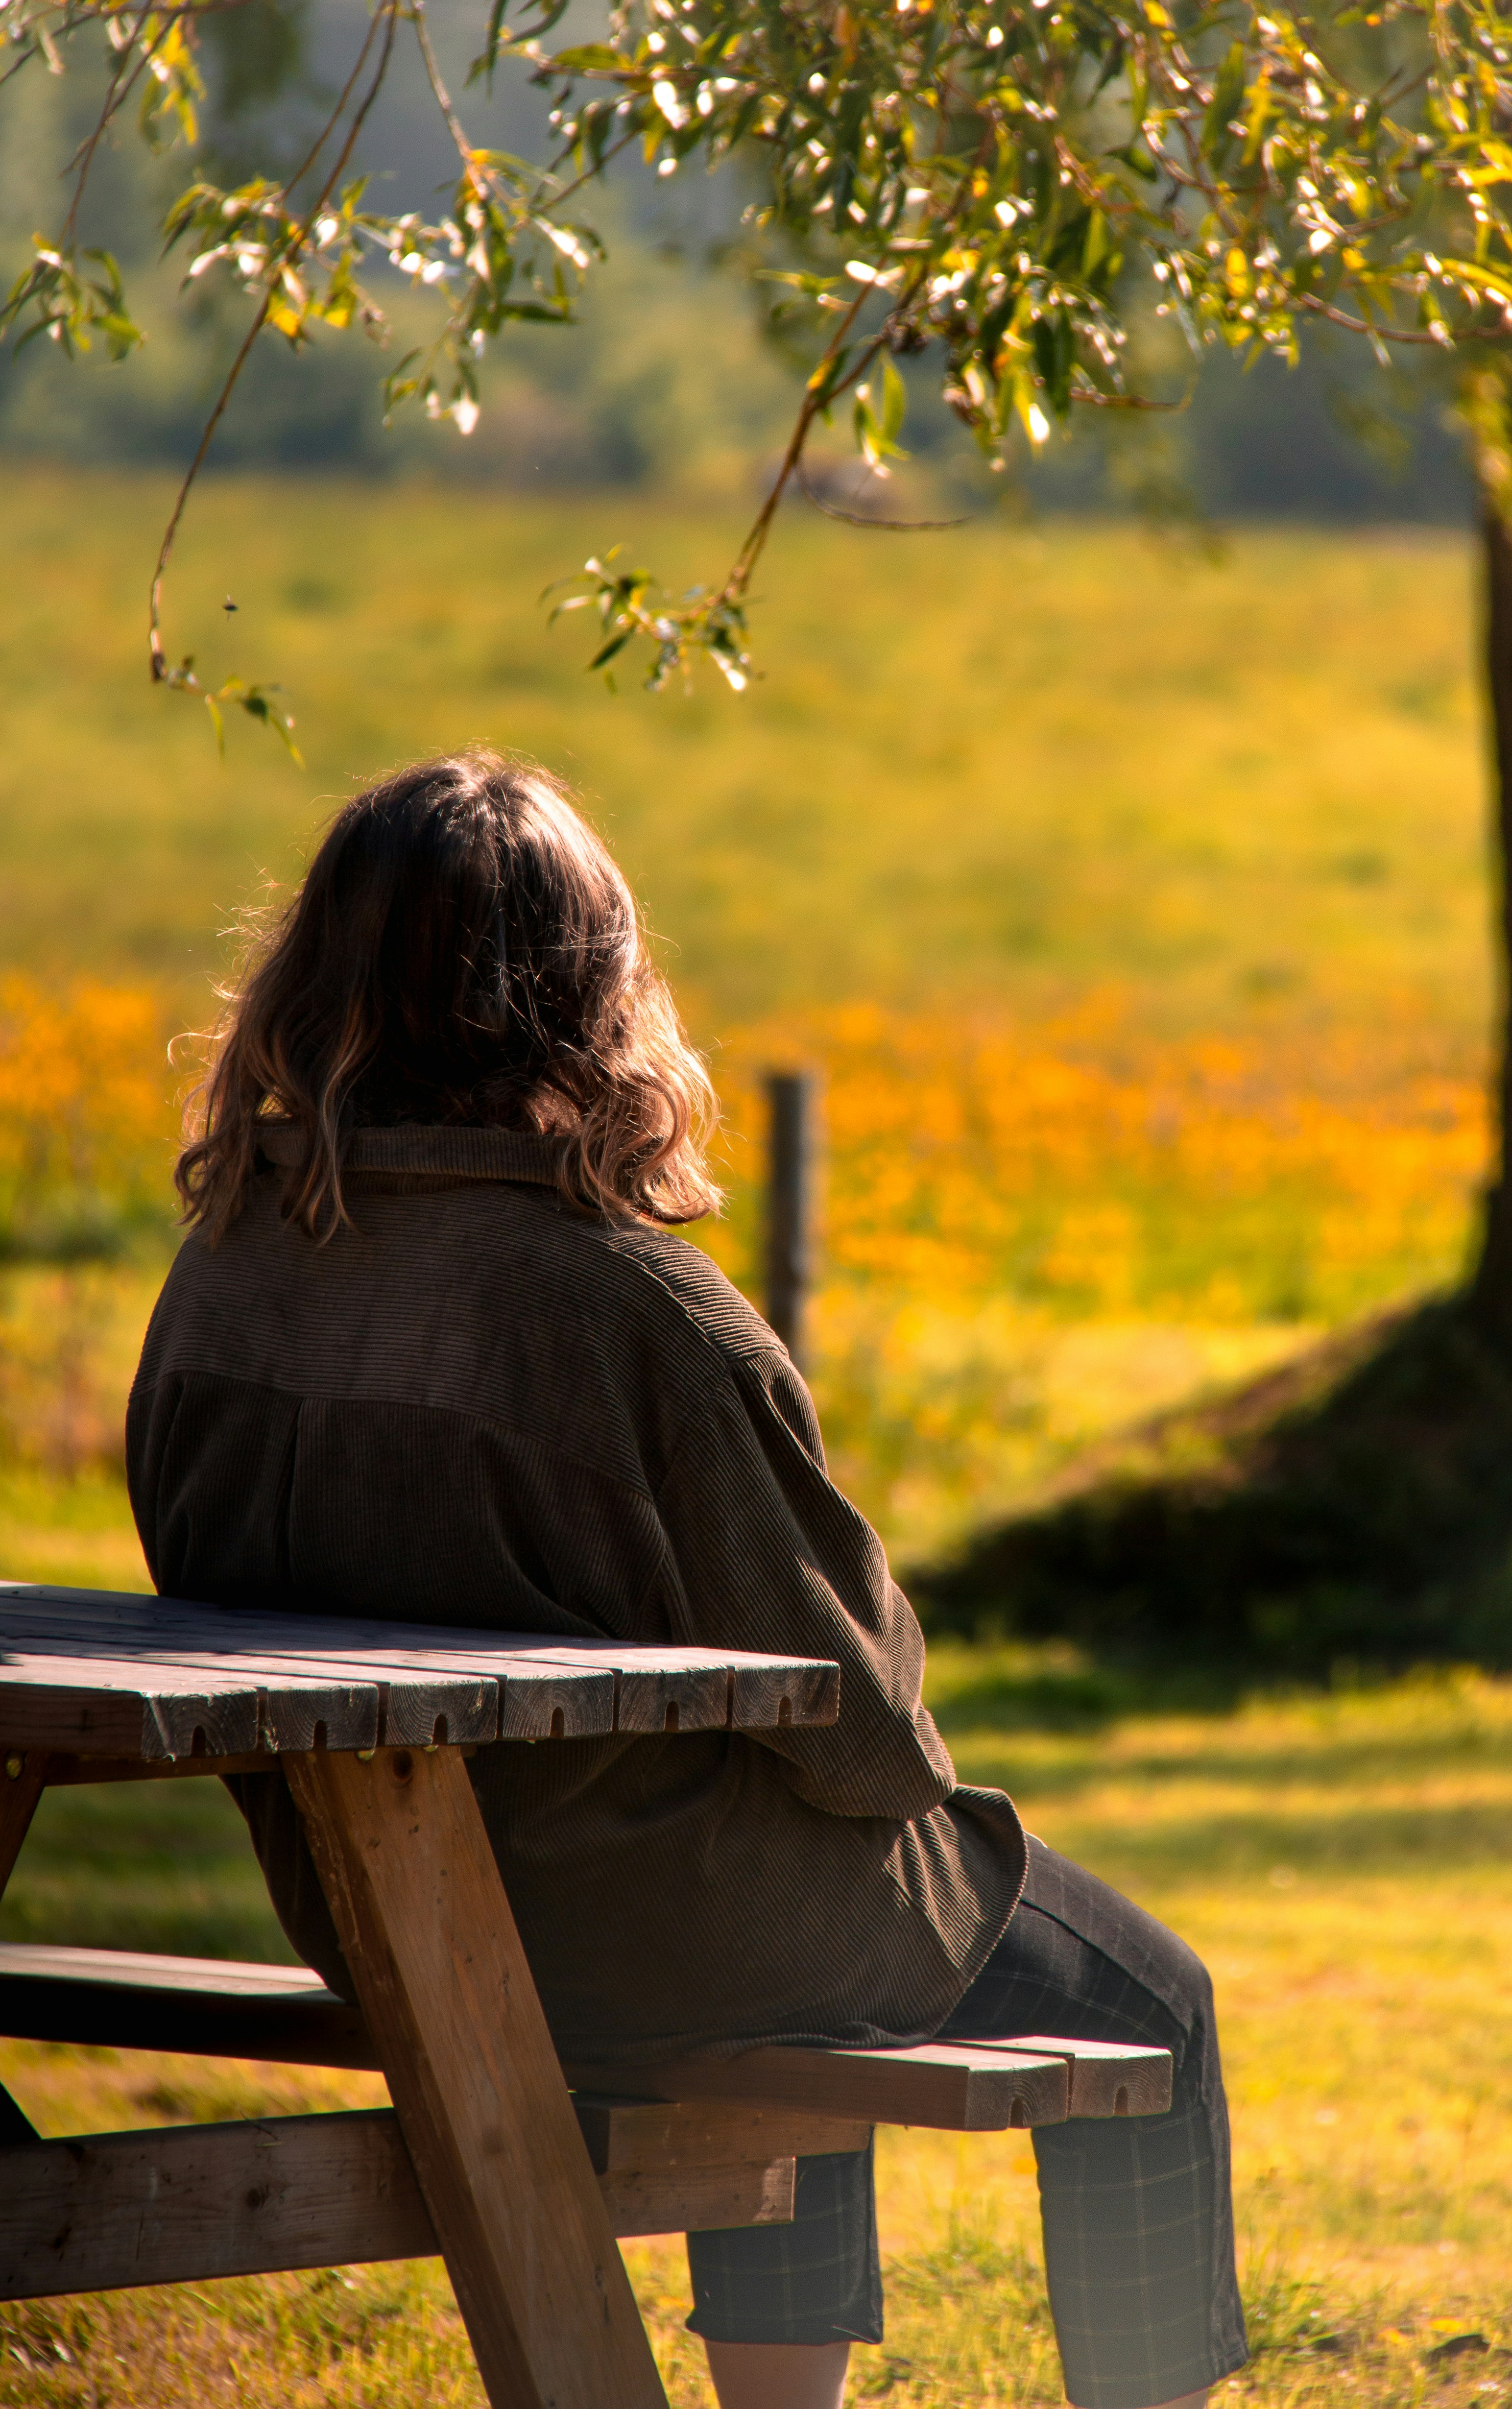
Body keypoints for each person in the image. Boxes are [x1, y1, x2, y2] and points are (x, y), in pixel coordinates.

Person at [127, 751, 1247, 2409]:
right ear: (591, 995)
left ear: (322, 973)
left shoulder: (225, 1271)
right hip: (649, 1930)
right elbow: (864, 1724)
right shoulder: (635, 1312)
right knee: (1143, 1993)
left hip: (382, 1920)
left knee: (788, 1884)